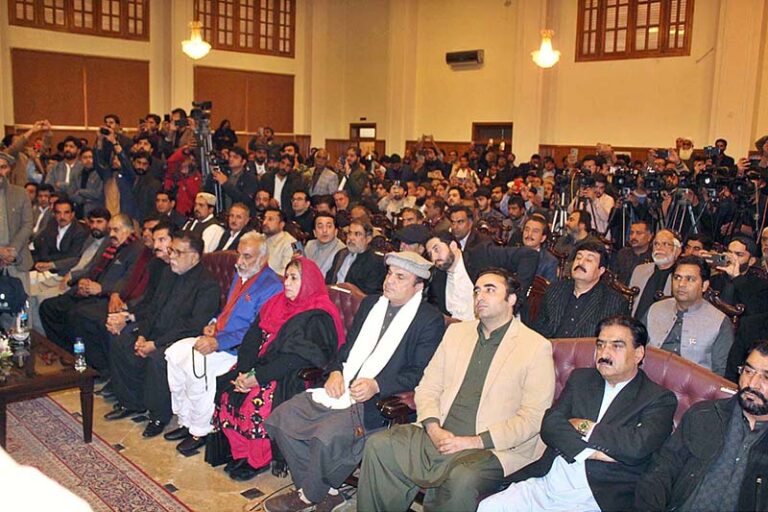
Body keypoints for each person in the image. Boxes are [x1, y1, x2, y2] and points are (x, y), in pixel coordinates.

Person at [357, 269, 555, 512]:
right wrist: (433, 428)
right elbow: (428, 386)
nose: (480, 296)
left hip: (492, 447)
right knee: (380, 445)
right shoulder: (457, 333)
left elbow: (534, 418)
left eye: (490, 290)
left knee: (461, 478)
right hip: (441, 432)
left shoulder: (535, 347)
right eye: (477, 290)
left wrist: (473, 441)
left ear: (511, 299)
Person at [264, 252, 445, 512]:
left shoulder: (428, 320)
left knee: (325, 437)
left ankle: (306, 496)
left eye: (400, 277)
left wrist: (377, 384)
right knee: (281, 418)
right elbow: (346, 349)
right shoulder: (372, 304)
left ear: (418, 286)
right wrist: (336, 371)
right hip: (344, 385)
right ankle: (325, 491)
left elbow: (419, 372)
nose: (389, 281)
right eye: (389, 273)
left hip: (377, 401)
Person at [479, 315, 677, 512]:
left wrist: (584, 426)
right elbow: (550, 425)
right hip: (549, 479)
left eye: (616, 346)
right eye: (600, 345)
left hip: (597, 495)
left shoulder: (657, 399)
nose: (604, 353)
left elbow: (636, 447)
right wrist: (592, 453)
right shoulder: (582, 379)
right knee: (489, 507)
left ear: (638, 354)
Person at [210, 257, 345, 481]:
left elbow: (298, 358)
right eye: (286, 277)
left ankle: (257, 459)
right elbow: (253, 336)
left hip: (287, 373)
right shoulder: (276, 302)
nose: (287, 283)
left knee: (255, 401)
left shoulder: (318, 314)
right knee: (229, 388)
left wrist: (257, 377)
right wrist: (244, 371)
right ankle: (240, 452)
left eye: (294, 278)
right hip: (257, 365)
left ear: (309, 282)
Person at [163, 232, 283, 454]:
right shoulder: (241, 274)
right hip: (219, 338)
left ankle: (200, 430)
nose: (240, 262)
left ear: (262, 258)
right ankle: (185, 420)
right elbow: (228, 311)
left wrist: (218, 342)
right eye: (239, 255)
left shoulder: (272, 286)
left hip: (240, 350)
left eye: (247, 256)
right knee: (174, 353)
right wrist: (213, 323)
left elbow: (255, 331)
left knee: (196, 366)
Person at [105, 232, 220, 438]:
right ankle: (132, 402)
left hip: (180, 340)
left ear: (194, 257)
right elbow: (153, 309)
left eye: (177, 252)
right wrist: (143, 336)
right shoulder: (168, 273)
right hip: (156, 332)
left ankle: (159, 416)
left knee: (159, 358)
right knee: (121, 341)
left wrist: (155, 343)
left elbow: (193, 326)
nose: (171, 256)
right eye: (171, 250)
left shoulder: (207, 284)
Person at [635, 341, 768, 511]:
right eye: (748, 371)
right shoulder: (705, 416)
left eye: (766, 377)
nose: (752, 383)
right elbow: (661, 471)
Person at [39, 214, 144, 351]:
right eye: (110, 229)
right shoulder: (110, 245)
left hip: (106, 296)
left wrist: (102, 289)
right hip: (90, 291)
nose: (111, 234)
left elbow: (128, 280)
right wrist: (83, 281)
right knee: (48, 307)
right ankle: (62, 350)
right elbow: (93, 267)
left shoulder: (136, 249)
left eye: (116, 230)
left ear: (129, 230)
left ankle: (80, 357)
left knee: (76, 314)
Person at [643, 255, 734, 376]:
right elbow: (635, 348)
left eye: (690, 279)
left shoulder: (720, 322)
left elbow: (720, 373)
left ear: (705, 285)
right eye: (677, 278)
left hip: (692, 389)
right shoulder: (655, 309)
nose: (681, 284)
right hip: (649, 379)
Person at [533, 241, 629, 338]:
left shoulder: (615, 303)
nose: (581, 262)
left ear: (601, 271)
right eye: (578, 257)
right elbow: (538, 331)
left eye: (589, 260)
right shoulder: (554, 290)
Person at [0, 153, 33, 327]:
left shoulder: (20, 194)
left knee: (21, 313)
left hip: (17, 261)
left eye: (3, 167)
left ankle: (21, 351)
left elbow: (28, 224)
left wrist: (12, 251)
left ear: (9, 170)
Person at [630, 228, 682, 318]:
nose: (659, 248)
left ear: (677, 250)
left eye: (665, 244)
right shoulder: (640, 270)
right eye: (656, 244)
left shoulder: (681, 277)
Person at [325, 219, 386, 294]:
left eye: (357, 234)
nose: (351, 238)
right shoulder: (341, 254)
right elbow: (329, 279)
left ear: (368, 239)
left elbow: (370, 294)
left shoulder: (375, 261)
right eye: (349, 233)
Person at [31, 198, 88, 272]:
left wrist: (49, 263)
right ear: (54, 214)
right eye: (58, 213)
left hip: (64, 270)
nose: (62, 217)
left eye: (66, 213)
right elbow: (41, 243)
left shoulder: (79, 232)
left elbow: (72, 257)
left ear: (72, 214)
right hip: (43, 264)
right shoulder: (52, 223)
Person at [610, 220, 653, 285]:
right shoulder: (622, 254)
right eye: (631, 233)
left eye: (638, 233)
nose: (633, 237)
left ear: (650, 236)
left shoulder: (653, 257)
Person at [522, 214, 558, 282]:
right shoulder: (513, 253)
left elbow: (549, 290)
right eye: (526, 230)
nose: (529, 234)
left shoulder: (549, 262)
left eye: (535, 231)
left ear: (543, 238)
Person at [261, 207, 297, 275]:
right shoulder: (258, 238)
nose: (265, 222)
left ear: (281, 224)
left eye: (270, 219)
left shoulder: (293, 243)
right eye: (264, 219)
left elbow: (290, 272)